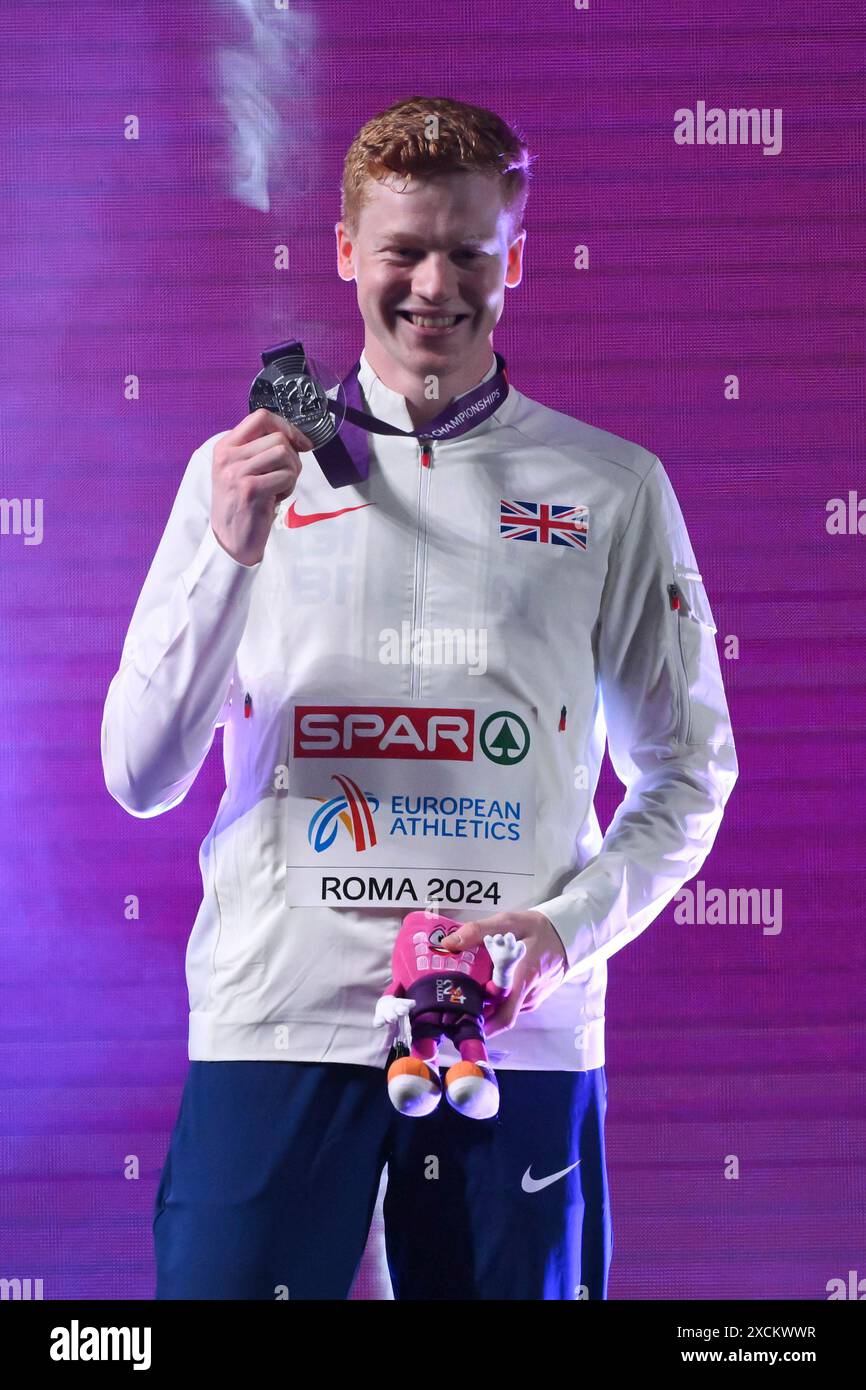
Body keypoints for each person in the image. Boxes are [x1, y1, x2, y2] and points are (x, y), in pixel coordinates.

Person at [100, 95, 738, 1301]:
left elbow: (688, 777)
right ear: (347, 254)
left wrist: (556, 936)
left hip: (516, 1037)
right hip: (276, 1025)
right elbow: (139, 774)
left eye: (468, 252)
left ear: (516, 260)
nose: (433, 285)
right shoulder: (238, 473)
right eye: (402, 250)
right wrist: (233, 545)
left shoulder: (609, 485)